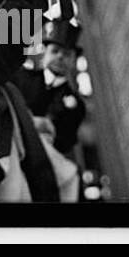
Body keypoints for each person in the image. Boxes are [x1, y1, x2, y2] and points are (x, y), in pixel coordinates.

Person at [13, 18, 88, 159]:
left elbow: (66, 143)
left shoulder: (77, 107)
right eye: (55, 51)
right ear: (44, 54)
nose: (60, 57)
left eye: (66, 54)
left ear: (73, 61)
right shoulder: (21, 77)